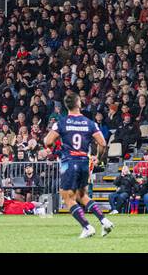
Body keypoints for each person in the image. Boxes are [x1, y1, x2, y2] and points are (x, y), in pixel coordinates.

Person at [43, 92, 114, 239]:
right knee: (82, 195)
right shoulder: (90, 123)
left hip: (69, 162)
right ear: (79, 104)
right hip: (84, 162)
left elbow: (47, 141)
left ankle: (87, 227)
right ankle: (104, 220)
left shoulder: (61, 122)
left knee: (67, 197)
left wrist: (57, 147)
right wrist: (97, 158)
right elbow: (103, 143)